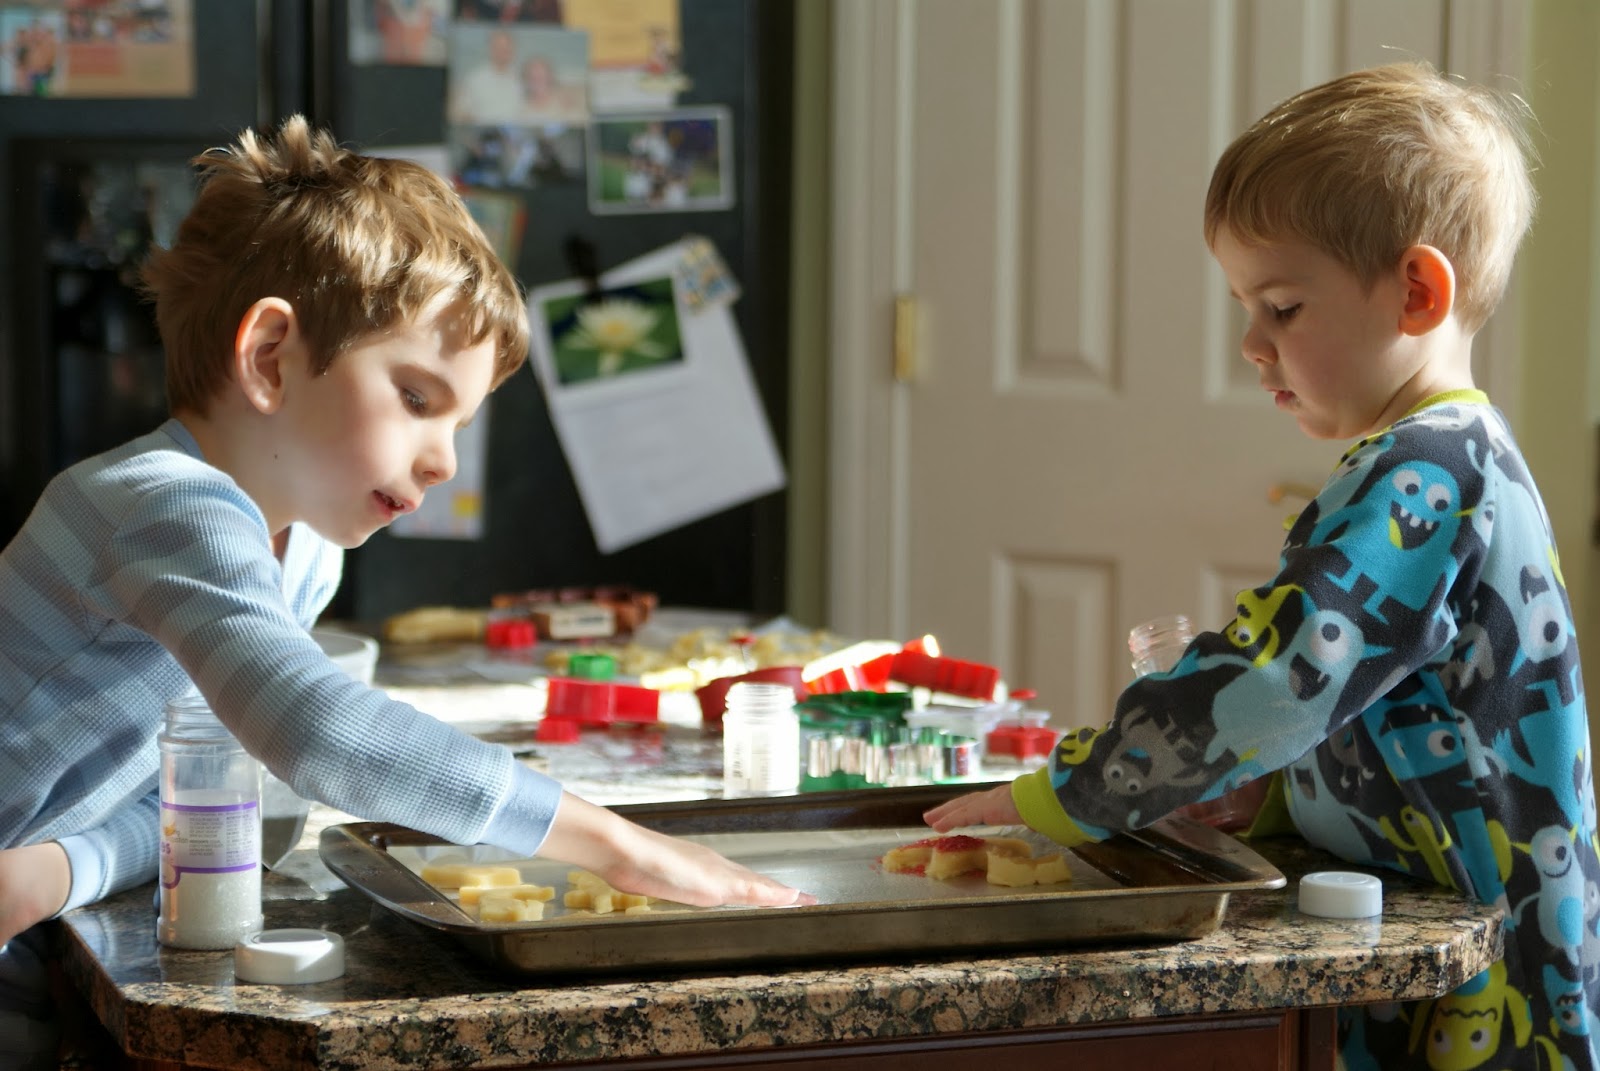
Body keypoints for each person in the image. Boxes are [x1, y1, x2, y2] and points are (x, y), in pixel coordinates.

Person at [0, 115, 807, 1070]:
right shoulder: (159, 504)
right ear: (269, 356)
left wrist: (57, 871)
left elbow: (214, 798)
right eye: (419, 399)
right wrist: (615, 843)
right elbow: (321, 735)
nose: (443, 460)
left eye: (459, 423)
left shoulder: (303, 555)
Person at [926, 62, 1599, 1071]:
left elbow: (1273, 681)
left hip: (1487, 994)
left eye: (1282, 307)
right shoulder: (1443, 455)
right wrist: (1275, 798)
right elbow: (1383, 709)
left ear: (1417, 293)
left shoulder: (1427, 474)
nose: (1250, 342)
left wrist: (1066, 794)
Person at [449, 28, 522, 125]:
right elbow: (460, 112)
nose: (503, 52)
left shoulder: (522, 78)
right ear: (490, 49)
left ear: (513, 50)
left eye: (506, 47)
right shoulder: (475, 78)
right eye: (498, 47)